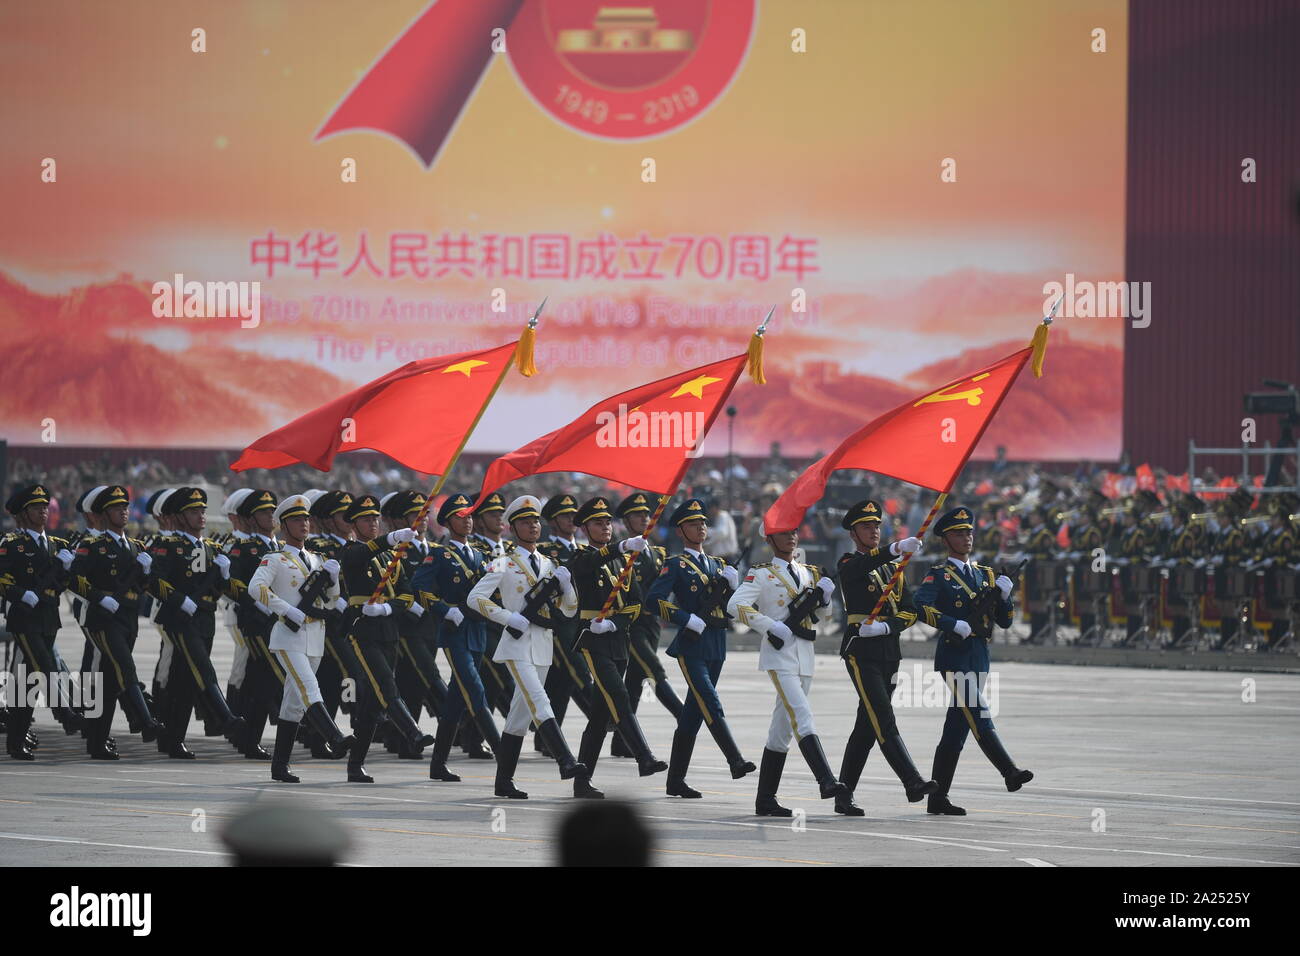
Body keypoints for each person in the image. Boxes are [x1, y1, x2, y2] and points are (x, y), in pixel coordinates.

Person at [915, 506, 1033, 816]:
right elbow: (920, 607)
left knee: (956, 729)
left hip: (980, 655)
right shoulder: (939, 574)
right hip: (954, 655)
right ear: (946, 539)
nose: (966, 537)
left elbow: (1005, 622)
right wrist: (952, 623)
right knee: (979, 714)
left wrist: (1006, 598)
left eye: (969, 532)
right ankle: (1009, 771)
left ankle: (937, 798)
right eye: (958, 533)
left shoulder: (986, 574)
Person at [467, 495, 587, 797]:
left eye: (535, 521)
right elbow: (474, 598)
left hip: (543, 643)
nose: (532, 526)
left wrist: (567, 586)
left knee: (519, 717)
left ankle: (503, 782)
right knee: (538, 700)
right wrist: (508, 618)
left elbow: (569, 610)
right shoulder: (503, 563)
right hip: (516, 644)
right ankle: (565, 759)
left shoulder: (550, 563)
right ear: (512, 528)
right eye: (525, 522)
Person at [728, 523, 848, 816]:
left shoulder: (809, 572)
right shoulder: (762, 572)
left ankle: (765, 800)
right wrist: (770, 626)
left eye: (794, 532)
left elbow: (822, 615)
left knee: (780, 731)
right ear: (769, 539)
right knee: (802, 714)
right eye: (784, 533)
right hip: (779, 654)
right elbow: (735, 605)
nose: (791, 537)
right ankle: (826, 779)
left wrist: (825, 597)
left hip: (805, 653)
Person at [644, 497, 755, 798]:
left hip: (716, 643)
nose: (701, 527)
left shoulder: (720, 565)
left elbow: (734, 609)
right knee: (709, 699)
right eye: (694, 523)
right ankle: (735, 759)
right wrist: (683, 618)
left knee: (692, 714)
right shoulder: (676, 564)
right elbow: (653, 601)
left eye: (704, 522)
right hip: (691, 645)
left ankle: (675, 781)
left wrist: (735, 587)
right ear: (681, 532)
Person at [834, 499, 935, 814]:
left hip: (888, 649)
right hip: (860, 651)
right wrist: (893, 549)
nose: (874, 530)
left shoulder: (895, 569)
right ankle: (912, 781)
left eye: (877, 525)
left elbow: (910, 610)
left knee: (866, 726)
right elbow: (861, 568)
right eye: (867, 526)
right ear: (853, 532)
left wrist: (887, 626)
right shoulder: (849, 562)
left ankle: (843, 794)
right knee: (882, 717)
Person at [249, 494, 355, 782]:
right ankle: (333, 736)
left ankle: (279, 766)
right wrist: (285, 611)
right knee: (310, 687)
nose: (304, 524)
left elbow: (331, 602)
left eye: (306, 519)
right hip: (288, 637)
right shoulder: (274, 558)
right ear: (284, 526)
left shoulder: (318, 559)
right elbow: (255, 589)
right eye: (297, 520)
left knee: (293, 704)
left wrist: (333, 582)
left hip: (314, 637)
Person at [568, 496, 668, 798]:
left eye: (608, 521)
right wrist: (620, 547)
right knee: (619, 694)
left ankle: (581, 781)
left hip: (616, 639)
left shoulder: (622, 563)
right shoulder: (581, 556)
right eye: (598, 522)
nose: (605, 526)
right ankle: (644, 756)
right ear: (585, 528)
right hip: (592, 639)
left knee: (599, 716)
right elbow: (584, 567)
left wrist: (616, 623)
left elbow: (636, 603)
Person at [337, 494, 433, 782]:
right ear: (354, 524)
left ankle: (355, 764)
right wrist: (390, 539)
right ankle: (412, 732)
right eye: (366, 519)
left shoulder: (391, 557)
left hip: (388, 628)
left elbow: (405, 590)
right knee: (386, 685)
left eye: (375, 518)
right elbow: (359, 556)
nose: (373, 523)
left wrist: (389, 607)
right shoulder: (352, 550)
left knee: (373, 702)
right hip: (362, 630)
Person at [147, 487, 247, 758]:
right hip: (179, 619)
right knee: (202, 667)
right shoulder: (168, 545)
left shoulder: (212, 549)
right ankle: (224, 716)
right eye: (193, 511)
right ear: (180, 517)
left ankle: (172, 739)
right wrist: (180, 600)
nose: (200, 515)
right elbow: (154, 581)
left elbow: (223, 589)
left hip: (204, 619)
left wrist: (228, 579)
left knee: (184, 682)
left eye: (202, 510)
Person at [69, 485, 165, 757]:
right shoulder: (93, 545)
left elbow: (146, 585)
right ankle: (146, 721)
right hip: (102, 618)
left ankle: (97, 742)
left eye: (125, 507)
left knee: (109, 681)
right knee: (125, 666)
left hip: (128, 617)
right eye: (116, 508)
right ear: (103, 514)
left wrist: (146, 571)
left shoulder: (136, 546)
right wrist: (100, 598)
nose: (123, 511)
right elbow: (74, 580)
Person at [413, 492, 503, 782]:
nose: (468, 522)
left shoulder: (479, 555)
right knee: (476, 691)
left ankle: (438, 764)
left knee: (456, 700)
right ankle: (505, 754)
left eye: (470, 517)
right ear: (449, 522)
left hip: (476, 630)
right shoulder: (438, 554)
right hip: (454, 632)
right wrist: (443, 610)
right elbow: (420, 589)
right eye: (462, 518)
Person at [1, 483, 82, 759]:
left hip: (48, 617)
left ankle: (15, 742)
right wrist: (20, 593)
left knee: (27, 681)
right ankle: (66, 714)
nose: (43, 511)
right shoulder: (11, 544)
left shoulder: (57, 545)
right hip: (24, 618)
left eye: (45, 506)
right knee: (45, 666)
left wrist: (67, 568)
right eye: (37, 507)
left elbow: (64, 584)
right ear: (23, 514)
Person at [610, 492, 682, 757]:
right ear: (627, 522)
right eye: (637, 515)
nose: (644, 518)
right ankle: (682, 714)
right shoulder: (622, 552)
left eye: (646, 514)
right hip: (631, 624)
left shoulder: (659, 552)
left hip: (651, 624)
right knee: (654, 670)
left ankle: (620, 741)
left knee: (635, 682)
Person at [535, 492, 593, 754]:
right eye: (565, 516)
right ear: (552, 522)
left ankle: (546, 738)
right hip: (558, 626)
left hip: (582, 624)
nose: (571, 519)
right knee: (578, 674)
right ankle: (609, 720)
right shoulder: (546, 551)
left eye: (573, 515)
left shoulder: (583, 550)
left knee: (560, 683)